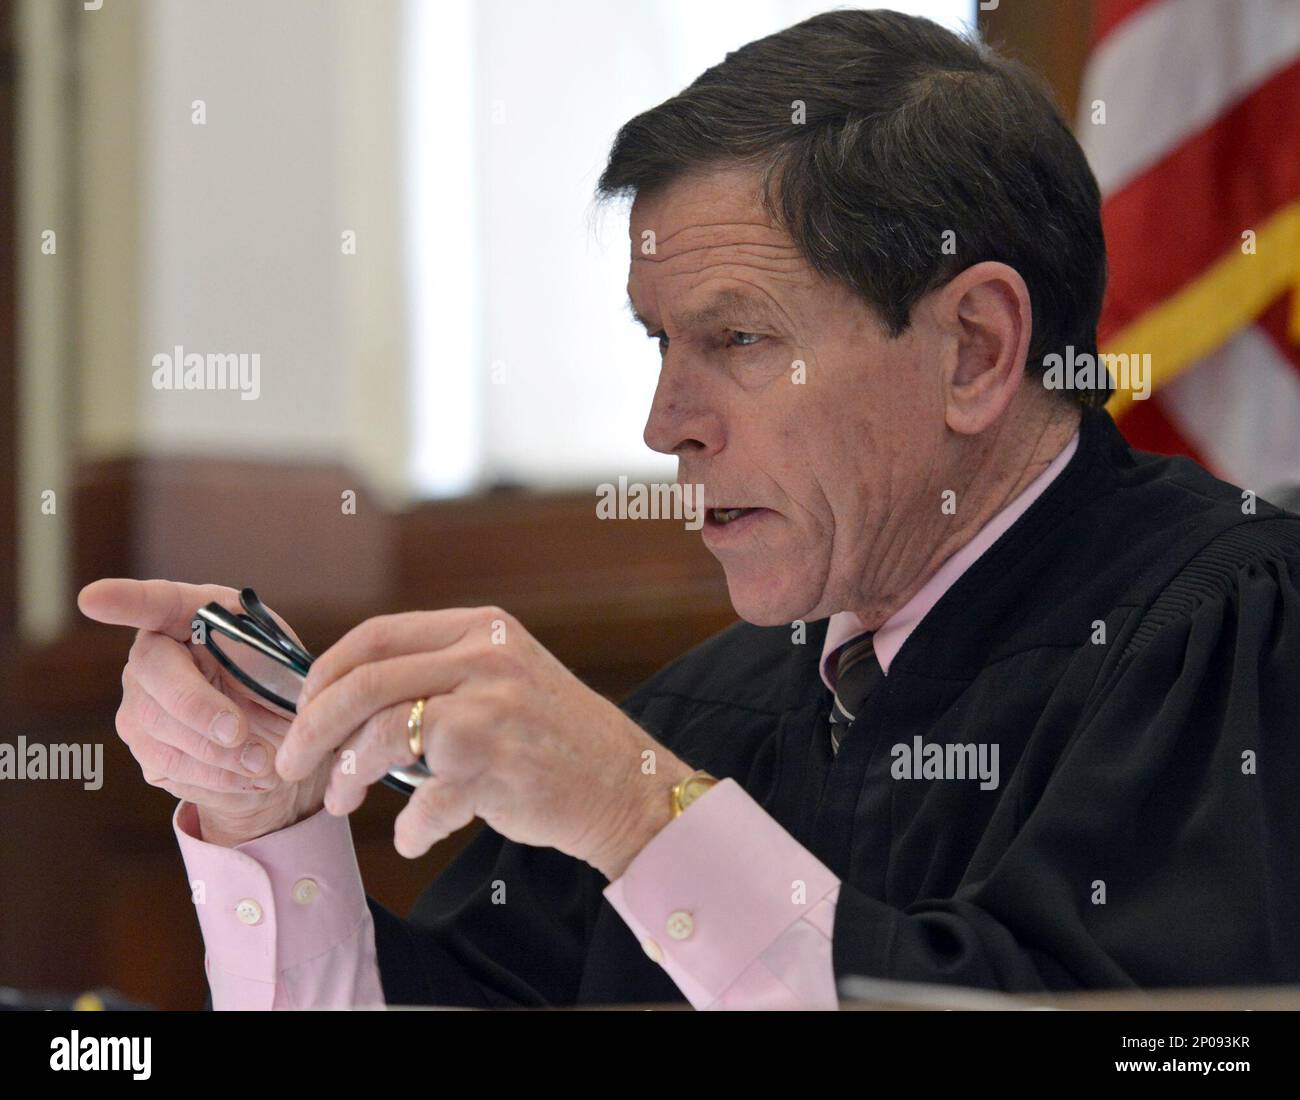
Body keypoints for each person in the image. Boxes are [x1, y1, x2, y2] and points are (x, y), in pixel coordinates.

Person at [78, 9, 1300, 1009]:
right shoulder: (713, 705)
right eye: (660, 341)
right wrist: (268, 814)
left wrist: (638, 810)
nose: (664, 423)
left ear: (974, 350)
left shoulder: (1226, 637)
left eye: (739, 337)